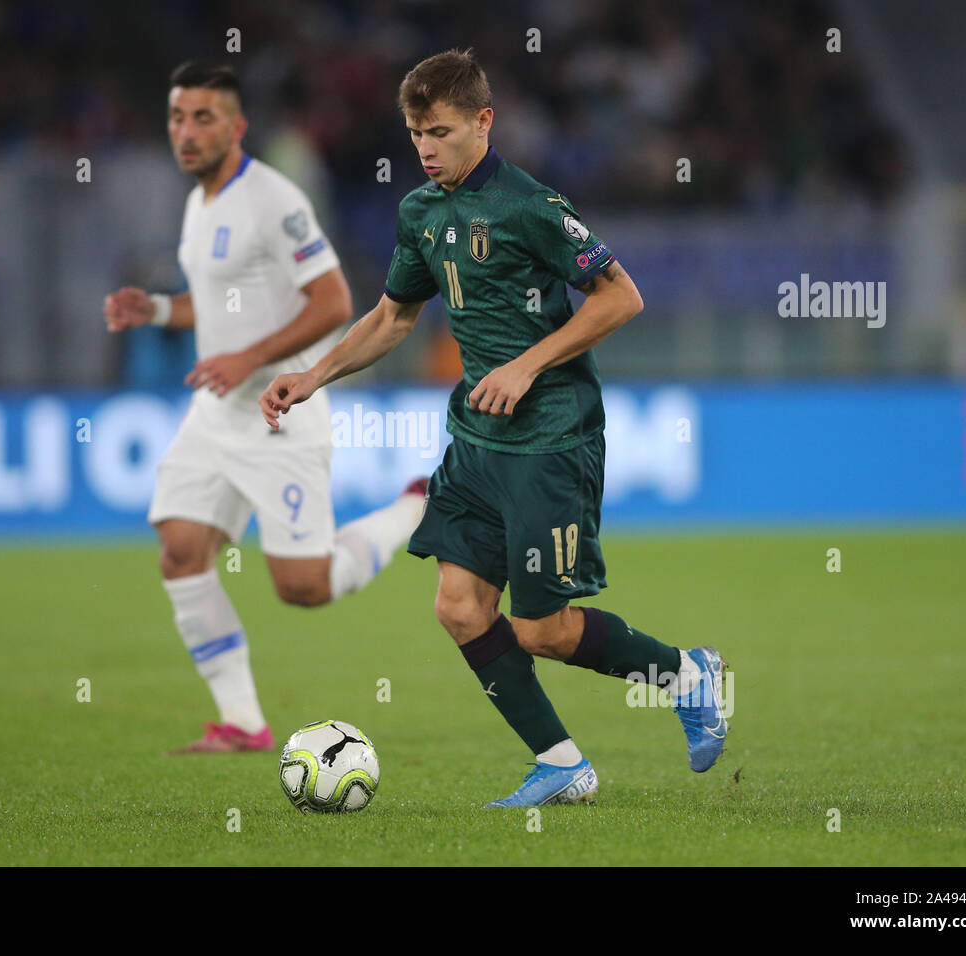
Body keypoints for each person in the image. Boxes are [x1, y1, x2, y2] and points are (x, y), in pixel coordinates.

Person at [260, 49, 729, 806]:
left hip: (550, 439)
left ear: (483, 122)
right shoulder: (421, 211)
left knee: (542, 628)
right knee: (458, 606)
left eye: (440, 132)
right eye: (415, 134)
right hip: (476, 442)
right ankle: (562, 763)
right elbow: (394, 316)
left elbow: (621, 297)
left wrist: (526, 366)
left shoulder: (530, 206)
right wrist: (313, 376)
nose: (426, 149)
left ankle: (685, 674)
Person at [103, 62, 425, 754]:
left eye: (203, 118)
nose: (186, 133)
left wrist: (250, 360)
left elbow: (335, 302)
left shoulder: (273, 200)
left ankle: (415, 509)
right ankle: (244, 723)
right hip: (217, 411)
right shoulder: (200, 203)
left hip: (280, 413)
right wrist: (156, 307)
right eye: (177, 118)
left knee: (302, 588)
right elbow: (217, 303)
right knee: (181, 551)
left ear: (237, 126)